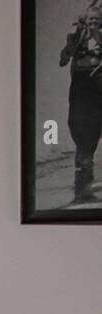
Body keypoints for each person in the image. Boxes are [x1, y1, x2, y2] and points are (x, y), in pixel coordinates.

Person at [60, 2, 102, 202]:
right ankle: (83, 154)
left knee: (95, 121)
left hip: (97, 86)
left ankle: (86, 161)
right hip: (80, 84)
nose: (93, 22)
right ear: (85, 21)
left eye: (96, 19)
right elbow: (65, 54)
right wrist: (67, 54)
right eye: (90, 19)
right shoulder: (77, 37)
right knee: (76, 120)